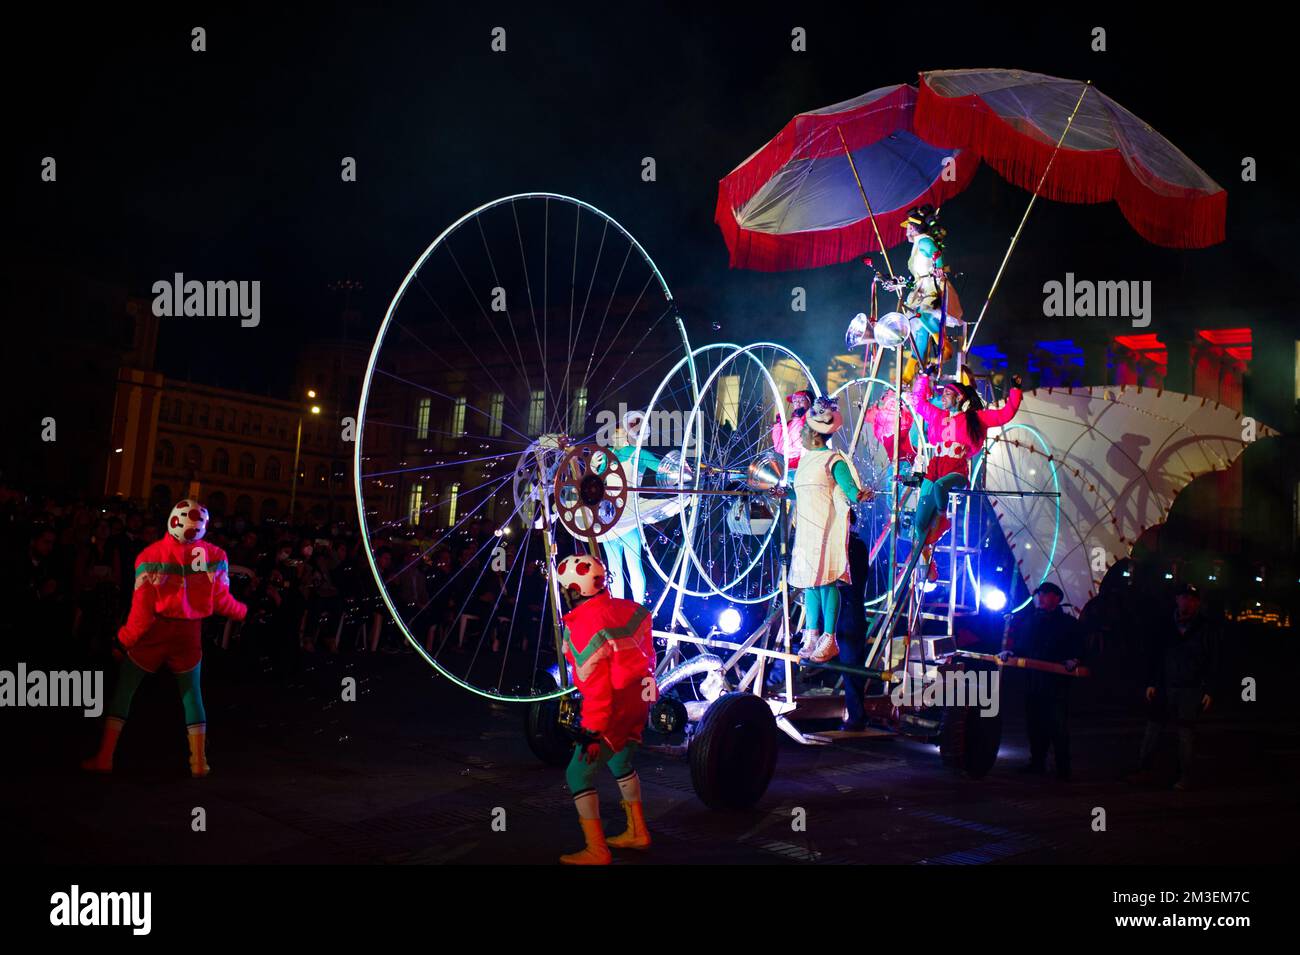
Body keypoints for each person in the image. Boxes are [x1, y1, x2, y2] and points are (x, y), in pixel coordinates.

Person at [82, 500, 247, 777]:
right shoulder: (217, 555)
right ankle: (199, 763)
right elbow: (222, 602)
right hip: (190, 633)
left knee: (125, 690)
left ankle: (105, 757)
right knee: (192, 695)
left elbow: (142, 613)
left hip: (156, 632)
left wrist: (123, 640)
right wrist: (242, 611)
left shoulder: (150, 555)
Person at [554, 552, 656, 865]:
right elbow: (648, 658)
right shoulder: (631, 610)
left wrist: (591, 732)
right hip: (638, 701)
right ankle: (637, 831)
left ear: (573, 591)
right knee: (621, 761)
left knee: (577, 774)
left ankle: (596, 849)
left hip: (611, 710)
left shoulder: (584, 627)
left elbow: (597, 689)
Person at [906, 367, 1022, 582]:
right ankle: (927, 561)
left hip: (956, 470)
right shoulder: (937, 415)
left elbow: (1005, 414)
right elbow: (918, 402)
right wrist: (923, 378)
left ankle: (942, 518)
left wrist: (1015, 391)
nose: (943, 398)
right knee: (919, 525)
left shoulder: (975, 418)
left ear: (960, 398)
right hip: (935, 467)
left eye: (947, 394)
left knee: (941, 487)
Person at [787, 396, 874, 663]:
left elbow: (848, 488)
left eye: (803, 430)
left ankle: (829, 637)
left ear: (815, 434)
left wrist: (858, 495)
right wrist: (785, 492)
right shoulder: (804, 461)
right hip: (805, 529)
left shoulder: (833, 460)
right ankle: (812, 633)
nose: (800, 434)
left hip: (825, 527)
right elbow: (803, 491)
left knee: (825, 583)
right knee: (810, 585)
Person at [1130, 583, 1218, 790]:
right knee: (1153, 729)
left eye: (1191, 599)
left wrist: (1209, 689)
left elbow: (1214, 659)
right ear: (1177, 600)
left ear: (1197, 603)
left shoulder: (1206, 628)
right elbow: (1155, 655)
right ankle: (1145, 770)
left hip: (1191, 687)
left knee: (1186, 734)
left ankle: (1184, 776)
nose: (1186, 602)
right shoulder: (1165, 624)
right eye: (1183, 598)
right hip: (1165, 685)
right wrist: (1152, 682)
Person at [1000, 582, 1084, 779]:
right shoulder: (1032, 621)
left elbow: (1079, 646)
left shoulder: (1067, 623)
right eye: (1039, 595)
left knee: (1057, 725)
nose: (1040, 599)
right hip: (1034, 681)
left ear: (1056, 598)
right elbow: (1023, 646)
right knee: (1035, 724)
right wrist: (1011, 652)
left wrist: (1074, 659)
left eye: (1044, 595)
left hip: (1055, 684)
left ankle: (1063, 767)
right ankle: (1037, 762)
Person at [596, 409, 662, 605]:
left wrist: (680, 470)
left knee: (633, 564)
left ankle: (637, 608)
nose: (614, 435)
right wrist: (592, 467)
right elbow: (594, 483)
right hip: (608, 515)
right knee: (614, 566)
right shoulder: (608, 456)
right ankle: (618, 608)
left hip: (628, 515)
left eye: (619, 431)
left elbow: (662, 468)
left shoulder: (638, 453)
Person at [771, 389, 814, 473]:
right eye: (795, 401)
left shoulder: (811, 421)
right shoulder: (791, 423)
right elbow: (777, 446)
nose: (797, 403)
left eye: (801, 400)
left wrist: (797, 418)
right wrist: (778, 425)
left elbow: (798, 443)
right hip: (782, 462)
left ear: (809, 403)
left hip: (798, 464)